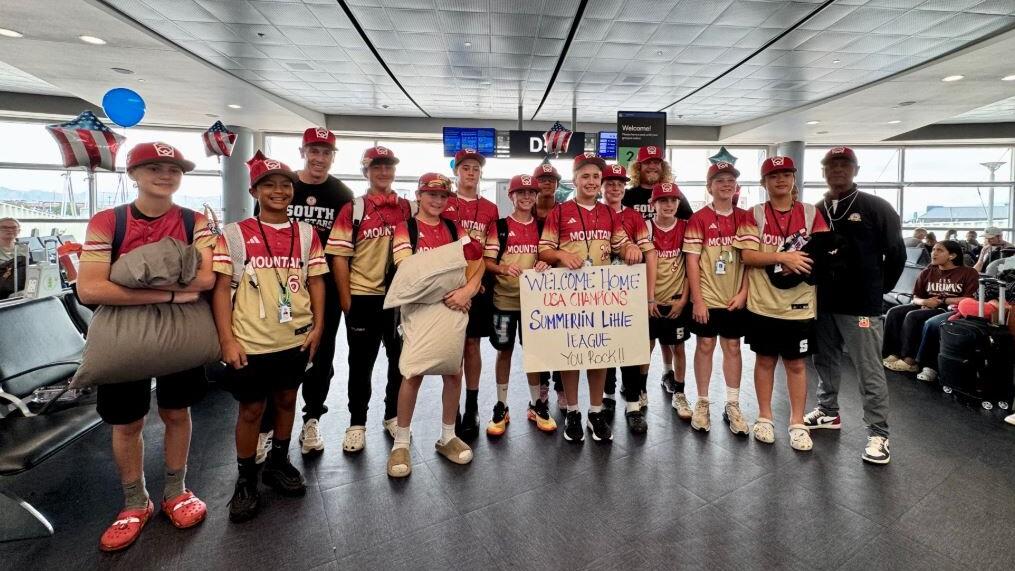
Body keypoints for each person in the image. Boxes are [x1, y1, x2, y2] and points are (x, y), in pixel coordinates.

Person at [77, 143, 216, 551]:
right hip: (125, 335)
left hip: (181, 335)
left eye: (173, 168)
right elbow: (90, 288)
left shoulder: (196, 222)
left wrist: (129, 282)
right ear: (134, 174)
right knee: (127, 422)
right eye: (153, 167)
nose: (165, 174)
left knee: (177, 411)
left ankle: (177, 490)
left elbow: (206, 281)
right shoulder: (108, 222)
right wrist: (172, 295)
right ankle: (134, 502)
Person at [212, 152, 327, 522]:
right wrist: (227, 340)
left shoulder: (306, 234)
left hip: (294, 339)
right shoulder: (235, 234)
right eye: (269, 184)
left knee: (287, 400)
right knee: (250, 409)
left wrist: (319, 327)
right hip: (250, 342)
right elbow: (220, 289)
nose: (278, 191)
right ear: (254, 189)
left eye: (285, 184)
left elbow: (315, 282)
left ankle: (279, 461)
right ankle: (245, 478)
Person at [255, 127, 354, 458]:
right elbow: (262, 231)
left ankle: (312, 418)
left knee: (321, 354)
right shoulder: (283, 187)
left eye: (326, 152)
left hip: (321, 285)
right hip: (280, 284)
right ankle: (267, 427)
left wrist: (344, 294)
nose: (319, 157)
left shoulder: (341, 194)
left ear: (332, 157)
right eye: (314, 150)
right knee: (277, 354)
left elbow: (344, 247)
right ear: (303, 151)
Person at [808, 146, 905, 465]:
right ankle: (827, 411)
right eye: (831, 165)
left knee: (868, 368)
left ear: (856, 170)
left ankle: (878, 432)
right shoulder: (818, 209)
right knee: (826, 360)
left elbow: (897, 254)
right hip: (824, 301)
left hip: (861, 304)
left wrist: (878, 290)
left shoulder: (876, 207)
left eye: (844, 164)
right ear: (823, 171)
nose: (837, 169)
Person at [387, 173, 485, 478]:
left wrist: (467, 291)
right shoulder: (407, 229)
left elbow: (477, 262)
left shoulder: (455, 228)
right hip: (420, 311)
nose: (437, 201)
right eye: (431, 195)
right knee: (412, 372)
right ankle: (401, 442)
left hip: (455, 308)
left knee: (453, 371)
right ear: (418, 195)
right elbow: (408, 275)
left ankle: (447, 435)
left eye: (443, 197)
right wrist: (453, 291)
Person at [538, 153, 642, 443]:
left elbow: (621, 243)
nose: (592, 181)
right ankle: (573, 411)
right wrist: (561, 254)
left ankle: (595, 412)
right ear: (575, 180)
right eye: (586, 176)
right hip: (569, 295)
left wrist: (631, 247)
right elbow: (543, 249)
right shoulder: (559, 212)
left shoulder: (609, 213)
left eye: (596, 176)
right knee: (570, 355)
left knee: (600, 354)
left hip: (601, 295)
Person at [326, 146, 413, 453]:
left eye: (388, 166)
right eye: (377, 167)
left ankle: (391, 415)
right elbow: (338, 257)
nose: (383, 172)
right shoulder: (354, 208)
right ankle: (356, 423)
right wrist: (347, 302)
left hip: (399, 299)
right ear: (366, 172)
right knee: (360, 364)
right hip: (363, 297)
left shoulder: (406, 208)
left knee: (400, 363)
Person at [739, 156, 828, 451]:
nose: (780, 180)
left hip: (800, 304)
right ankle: (764, 417)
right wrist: (782, 256)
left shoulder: (810, 212)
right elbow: (748, 256)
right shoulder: (755, 213)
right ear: (764, 182)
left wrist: (799, 263)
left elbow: (825, 253)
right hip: (763, 303)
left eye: (786, 174)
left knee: (796, 364)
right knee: (764, 361)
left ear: (794, 179)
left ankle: (797, 422)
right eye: (773, 175)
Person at [683, 161, 753, 435]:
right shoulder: (698, 218)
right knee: (705, 346)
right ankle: (702, 401)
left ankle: (733, 404)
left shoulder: (746, 218)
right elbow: (692, 261)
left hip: (734, 298)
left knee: (733, 347)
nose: (726, 184)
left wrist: (744, 293)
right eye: (719, 180)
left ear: (736, 186)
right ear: (710, 186)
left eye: (730, 180)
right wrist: (698, 300)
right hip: (707, 298)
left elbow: (749, 260)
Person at [484, 174, 555, 435]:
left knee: (535, 353)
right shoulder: (500, 226)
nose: (526, 197)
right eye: (521, 193)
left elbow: (549, 256)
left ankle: (537, 403)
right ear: (511, 196)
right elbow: (487, 261)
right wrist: (502, 268)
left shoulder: (543, 226)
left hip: (534, 303)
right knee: (504, 352)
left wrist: (545, 263)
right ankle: (501, 405)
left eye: (531, 193)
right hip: (504, 301)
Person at [624, 146, 694, 397]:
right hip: (642, 284)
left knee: (673, 342)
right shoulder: (629, 196)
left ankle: (672, 379)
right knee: (646, 342)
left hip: (674, 288)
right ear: (638, 167)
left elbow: (691, 247)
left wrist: (686, 297)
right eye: (647, 163)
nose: (652, 167)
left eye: (657, 163)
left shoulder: (679, 205)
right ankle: (637, 386)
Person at [443, 148, 499, 440]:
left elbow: (489, 254)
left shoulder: (490, 208)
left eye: (476, 168)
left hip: (477, 285)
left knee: (472, 346)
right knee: (451, 347)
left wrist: (474, 285)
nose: (471, 172)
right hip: (445, 287)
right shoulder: (444, 202)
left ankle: (472, 405)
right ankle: (451, 407)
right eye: (465, 167)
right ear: (456, 171)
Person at [601, 163, 656, 432]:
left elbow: (651, 253)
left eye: (619, 184)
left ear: (625, 187)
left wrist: (649, 295)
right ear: (601, 186)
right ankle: (608, 397)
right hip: (598, 294)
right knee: (605, 347)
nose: (615, 188)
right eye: (609, 183)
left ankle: (633, 404)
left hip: (629, 294)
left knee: (631, 348)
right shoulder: (595, 213)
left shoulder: (634, 217)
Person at [883, 240, 979, 375]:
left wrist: (942, 301)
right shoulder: (927, 272)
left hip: (949, 309)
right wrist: (925, 302)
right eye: (933, 249)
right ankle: (893, 353)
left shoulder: (968, 273)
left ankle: (910, 361)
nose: (933, 253)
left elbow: (969, 299)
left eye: (939, 250)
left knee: (913, 316)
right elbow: (915, 298)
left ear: (952, 256)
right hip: (927, 305)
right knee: (894, 312)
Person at [645, 183, 693, 421]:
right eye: (663, 201)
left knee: (678, 347)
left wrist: (684, 300)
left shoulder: (685, 228)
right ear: (653, 204)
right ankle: (641, 391)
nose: (669, 205)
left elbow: (691, 268)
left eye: (673, 200)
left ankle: (680, 392)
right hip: (650, 302)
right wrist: (647, 298)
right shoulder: (646, 228)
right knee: (647, 346)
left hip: (676, 301)